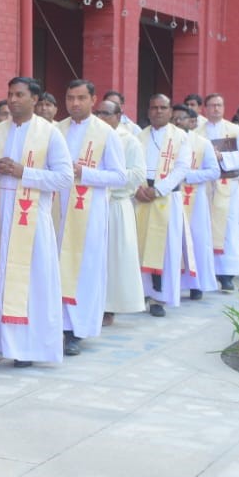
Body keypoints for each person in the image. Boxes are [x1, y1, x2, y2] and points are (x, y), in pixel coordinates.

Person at [0, 77, 72, 367]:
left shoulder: (50, 134)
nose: (13, 99)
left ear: (35, 99)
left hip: (31, 221)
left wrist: (25, 172)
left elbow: (64, 177)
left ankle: (26, 348)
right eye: (10, 94)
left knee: (31, 284)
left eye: (20, 94)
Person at [55, 80, 126, 356]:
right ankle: (57, 326)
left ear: (93, 100)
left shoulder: (106, 134)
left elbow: (120, 176)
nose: (74, 103)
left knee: (84, 271)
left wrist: (84, 173)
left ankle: (77, 331)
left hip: (90, 214)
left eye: (81, 98)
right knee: (57, 269)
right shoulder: (55, 130)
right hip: (58, 212)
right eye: (70, 97)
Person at [135, 94, 192, 318]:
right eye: (154, 107)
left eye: (163, 107)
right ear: (148, 111)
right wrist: (137, 188)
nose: (158, 111)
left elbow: (182, 167)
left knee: (165, 248)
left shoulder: (181, 137)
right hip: (141, 196)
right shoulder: (139, 136)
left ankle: (159, 297)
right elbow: (131, 164)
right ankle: (141, 292)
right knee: (139, 245)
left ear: (170, 111)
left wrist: (158, 189)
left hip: (166, 197)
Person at [96, 100, 146, 324]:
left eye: (107, 114)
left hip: (117, 203)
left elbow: (137, 175)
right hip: (91, 203)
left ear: (119, 116)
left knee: (115, 257)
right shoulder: (93, 136)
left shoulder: (130, 141)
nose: (102, 118)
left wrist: (106, 181)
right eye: (99, 113)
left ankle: (110, 306)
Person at [202, 94, 239, 291]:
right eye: (212, 105)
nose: (216, 109)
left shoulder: (235, 130)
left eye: (219, 105)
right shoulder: (198, 131)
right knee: (205, 226)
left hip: (228, 185)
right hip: (205, 186)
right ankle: (207, 271)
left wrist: (222, 155)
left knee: (230, 228)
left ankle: (226, 274)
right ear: (205, 108)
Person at [173, 104, 219, 302]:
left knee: (197, 240)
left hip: (195, 197)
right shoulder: (166, 141)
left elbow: (214, 171)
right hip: (171, 197)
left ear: (191, 122)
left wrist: (187, 176)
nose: (177, 122)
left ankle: (196, 284)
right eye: (174, 118)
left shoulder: (202, 143)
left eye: (181, 118)